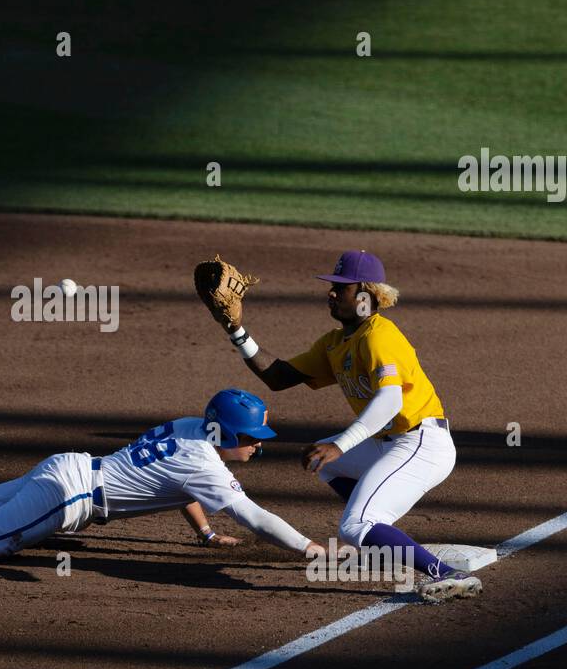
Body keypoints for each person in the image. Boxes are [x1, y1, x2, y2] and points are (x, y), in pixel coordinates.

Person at [0, 389, 324, 577]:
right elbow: (253, 516)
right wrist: (307, 546)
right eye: (253, 438)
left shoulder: (190, 429)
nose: (260, 445)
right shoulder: (206, 464)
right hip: (74, 495)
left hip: (67, 466)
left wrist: (205, 536)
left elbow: (179, 486)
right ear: (226, 432)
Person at [206, 249, 481, 603]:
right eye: (332, 286)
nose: (331, 293)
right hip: (389, 441)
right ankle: (379, 534)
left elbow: (390, 401)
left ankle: (446, 574)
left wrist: (342, 444)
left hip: (421, 443)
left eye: (341, 287)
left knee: (353, 526)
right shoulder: (336, 342)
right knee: (326, 462)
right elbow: (278, 377)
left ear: (366, 295)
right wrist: (236, 330)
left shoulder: (379, 336)